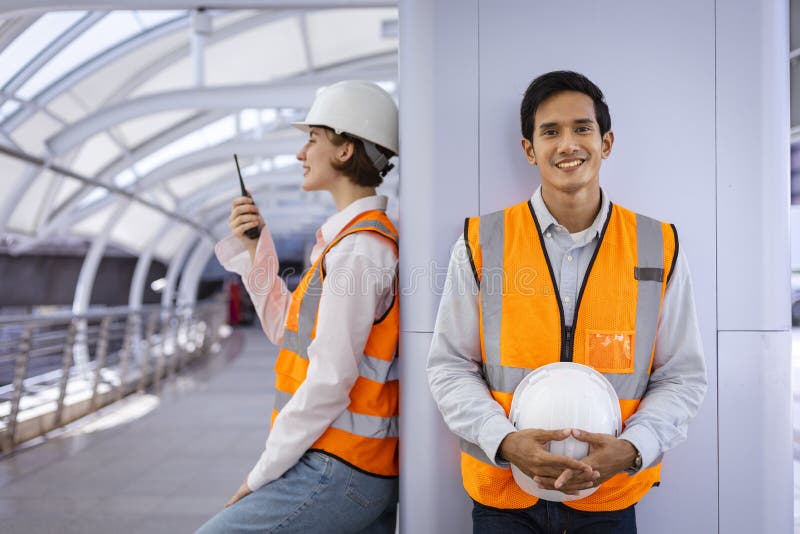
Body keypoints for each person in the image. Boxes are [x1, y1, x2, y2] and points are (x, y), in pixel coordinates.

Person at [426, 71, 707, 533]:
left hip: (609, 497)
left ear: (607, 142)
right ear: (529, 150)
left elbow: (682, 374)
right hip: (504, 498)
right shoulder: (481, 242)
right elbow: (449, 365)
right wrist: (505, 441)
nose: (568, 144)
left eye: (582, 128)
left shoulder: (658, 245)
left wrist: (634, 447)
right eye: (550, 132)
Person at [197, 80, 400, 534]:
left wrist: (260, 475)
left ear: (345, 149)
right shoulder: (348, 243)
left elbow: (329, 380)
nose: (300, 153)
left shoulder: (359, 250)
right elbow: (286, 332)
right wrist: (256, 250)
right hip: (345, 462)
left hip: (338, 466)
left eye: (312, 139)